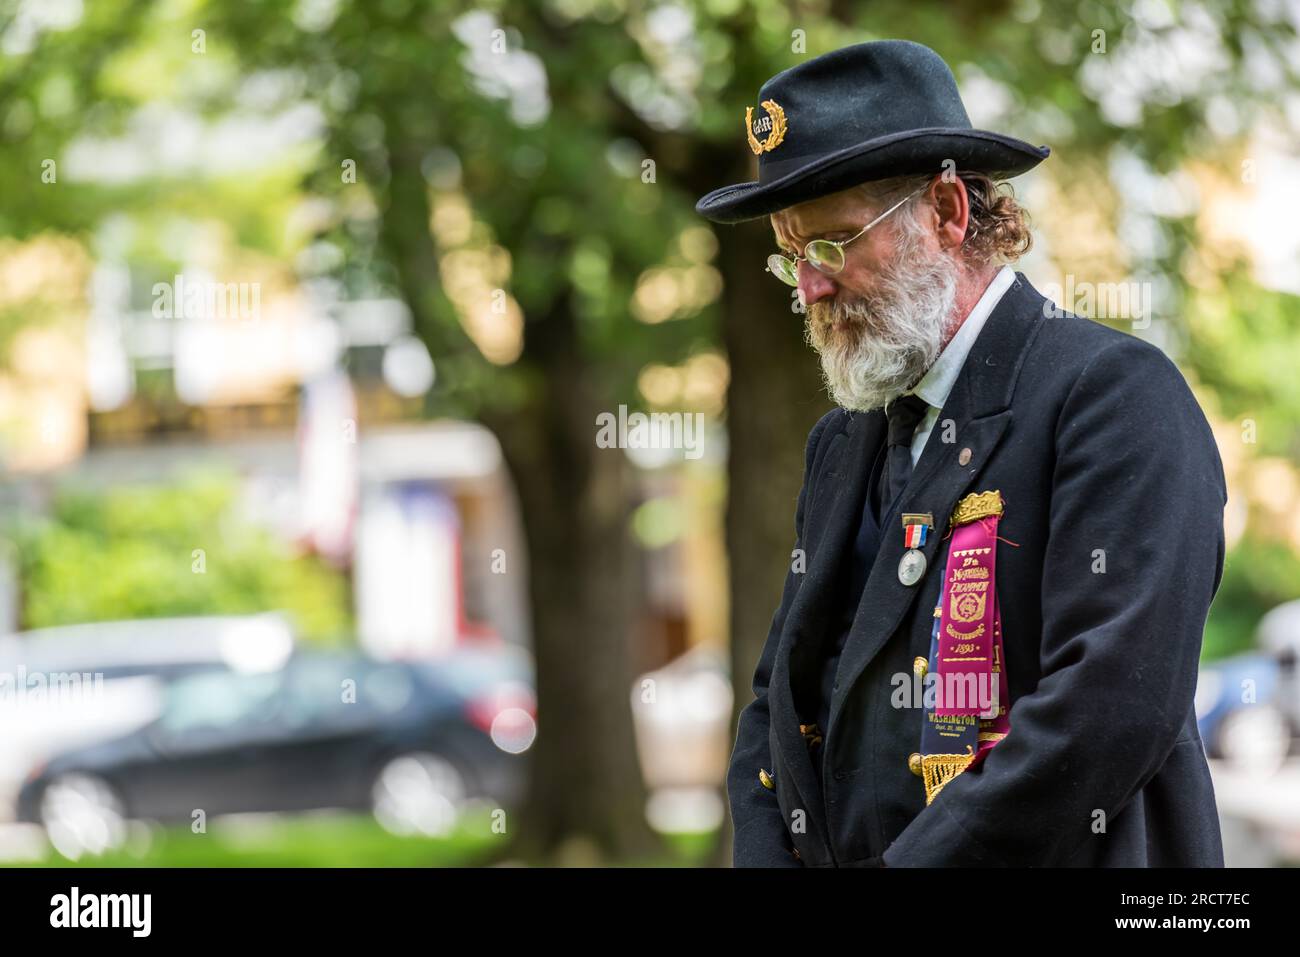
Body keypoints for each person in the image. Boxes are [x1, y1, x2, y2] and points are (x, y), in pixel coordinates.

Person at [695, 39, 1228, 867]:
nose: (809, 287)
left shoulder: (1114, 396)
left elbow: (1110, 708)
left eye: (832, 245)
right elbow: (777, 707)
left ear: (947, 211)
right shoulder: (842, 440)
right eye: (790, 255)